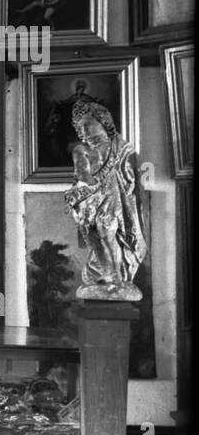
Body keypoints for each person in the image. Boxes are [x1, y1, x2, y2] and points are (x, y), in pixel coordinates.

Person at [63, 100, 147, 298]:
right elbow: (83, 178)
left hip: (114, 200)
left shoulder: (122, 148)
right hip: (89, 201)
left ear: (103, 121)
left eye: (88, 124)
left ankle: (116, 279)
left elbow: (133, 180)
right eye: (79, 127)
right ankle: (106, 276)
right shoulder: (80, 150)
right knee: (95, 239)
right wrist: (76, 196)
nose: (84, 131)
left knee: (108, 234)